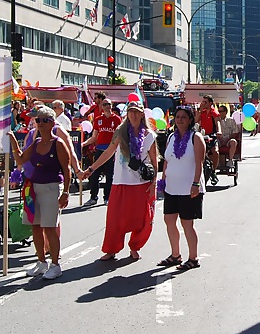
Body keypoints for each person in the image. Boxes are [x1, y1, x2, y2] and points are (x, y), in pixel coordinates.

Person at [81, 102, 158, 262]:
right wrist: (91, 169)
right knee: (115, 218)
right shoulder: (120, 132)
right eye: (130, 112)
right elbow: (108, 152)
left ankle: (135, 247)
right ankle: (111, 249)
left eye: (136, 112)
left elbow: (154, 161)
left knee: (141, 219)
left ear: (142, 114)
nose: (133, 115)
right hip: (121, 182)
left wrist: (153, 183)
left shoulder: (150, 135)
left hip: (141, 183)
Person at [9, 105, 73, 280]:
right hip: (34, 188)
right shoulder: (37, 142)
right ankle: (41, 261)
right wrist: (14, 141)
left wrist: (66, 192)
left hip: (52, 188)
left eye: (44, 120)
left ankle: (55, 265)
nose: (40, 123)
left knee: (50, 227)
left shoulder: (58, 144)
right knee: (35, 226)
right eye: (38, 120)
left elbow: (67, 170)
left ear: (52, 122)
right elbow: (21, 158)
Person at [158, 105, 205, 272]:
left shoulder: (196, 137)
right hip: (172, 187)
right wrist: (162, 180)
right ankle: (175, 255)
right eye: (177, 116)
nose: (179, 119)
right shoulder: (171, 137)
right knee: (169, 220)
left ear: (190, 119)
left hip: (189, 188)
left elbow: (199, 163)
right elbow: (166, 161)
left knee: (187, 223)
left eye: (183, 117)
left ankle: (193, 258)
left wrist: (195, 184)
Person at [83, 93, 122, 206]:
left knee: (109, 175)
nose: (106, 106)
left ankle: (107, 197)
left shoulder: (117, 119)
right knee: (95, 173)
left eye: (108, 104)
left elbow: (119, 136)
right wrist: (83, 144)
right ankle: (93, 197)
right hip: (99, 150)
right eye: (104, 104)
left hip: (111, 150)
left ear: (111, 105)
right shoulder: (98, 119)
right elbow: (94, 137)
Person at [213, 105, 239, 169]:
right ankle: (217, 160)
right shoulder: (215, 121)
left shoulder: (231, 120)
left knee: (233, 142)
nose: (219, 113)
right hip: (219, 139)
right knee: (214, 142)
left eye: (221, 111)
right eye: (218, 111)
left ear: (225, 112)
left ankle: (230, 160)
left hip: (228, 139)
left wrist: (229, 137)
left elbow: (235, 131)